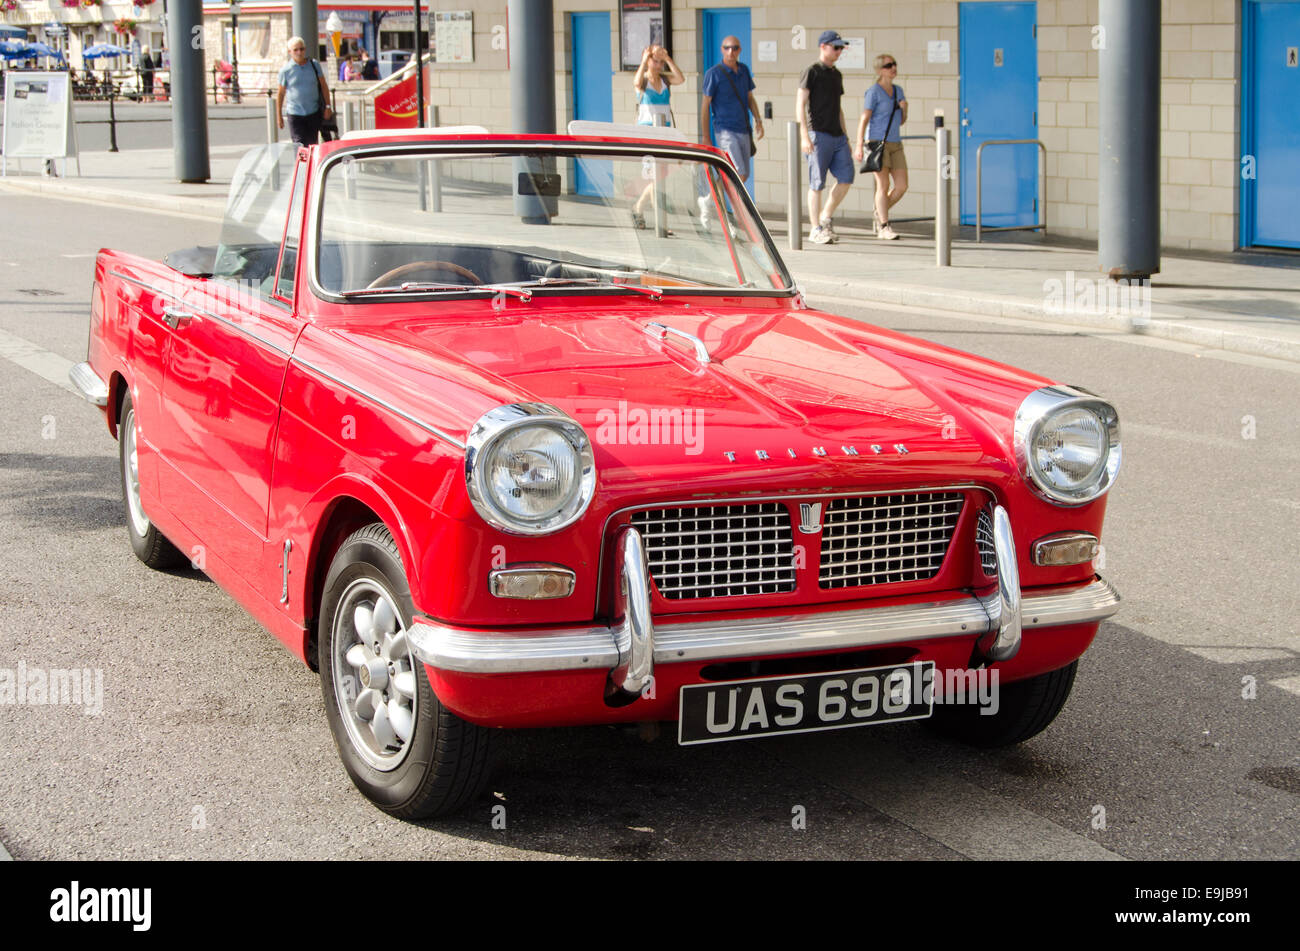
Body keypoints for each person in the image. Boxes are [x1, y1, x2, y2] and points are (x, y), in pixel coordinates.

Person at [796, 30, 852, 245]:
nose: (839, 51)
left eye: (840, 48)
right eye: (835, 47)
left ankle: (825, 216)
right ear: (823, 46)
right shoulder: (811, 71)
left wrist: (845, 135)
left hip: (837, 135)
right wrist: (804, 136)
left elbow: (839, 108)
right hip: (817, 133)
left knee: (846, 177)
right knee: (817, 183)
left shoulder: (836, 74)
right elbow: (800, 103)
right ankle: (815, 228)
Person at [854, 53, 908, 240]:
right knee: (883, 185)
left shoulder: (898, 90)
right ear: (879, 70)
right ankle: (884, 226)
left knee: (901, 186)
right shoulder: (874, 92)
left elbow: (901, 121)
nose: (893, 68)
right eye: (888, 66)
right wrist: (859, 144)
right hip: (877, 142)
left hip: (895, 143)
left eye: (894, 64)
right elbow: (864, 118)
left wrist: (904, 107)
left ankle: (879, 212)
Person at [630, 45, 684, 228]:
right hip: (647, 133)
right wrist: (644, 61)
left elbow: (680, 78)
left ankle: (638, 207)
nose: (658, 64)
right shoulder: (643, 80)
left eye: (660, 61)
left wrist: (668, 59)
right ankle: (661, 223)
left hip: (664, 133)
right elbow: (636, 83)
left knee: (659, 178)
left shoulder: (665, 81)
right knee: (654, 178)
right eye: (656, 60)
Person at [700, 35, 764, 184]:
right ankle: (734, 207)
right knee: (738, 172)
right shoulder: (713, 74)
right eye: (727, 48)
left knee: (744, 174)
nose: (731, 51)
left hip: (743, 128)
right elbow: (705, 106)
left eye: (734, 48)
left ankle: (711, 200)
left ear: (739, 50)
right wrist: (705, 136)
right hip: (725, 130)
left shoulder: (744, 70)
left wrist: (758, 120)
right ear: (722, 50)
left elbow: (750, 98)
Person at [276, 36, 332, 148]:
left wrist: (328, 106)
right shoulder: (285, 71)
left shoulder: (314, 65)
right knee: (299, 145)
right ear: (289, 52)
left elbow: (323, 86)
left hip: (313, 112)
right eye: (295, 50)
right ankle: (301, 166)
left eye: (301, 49)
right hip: (295, 113)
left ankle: (312, 166)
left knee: (312, 145)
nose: (299, 52)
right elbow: (281, 94)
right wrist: (279, 116)